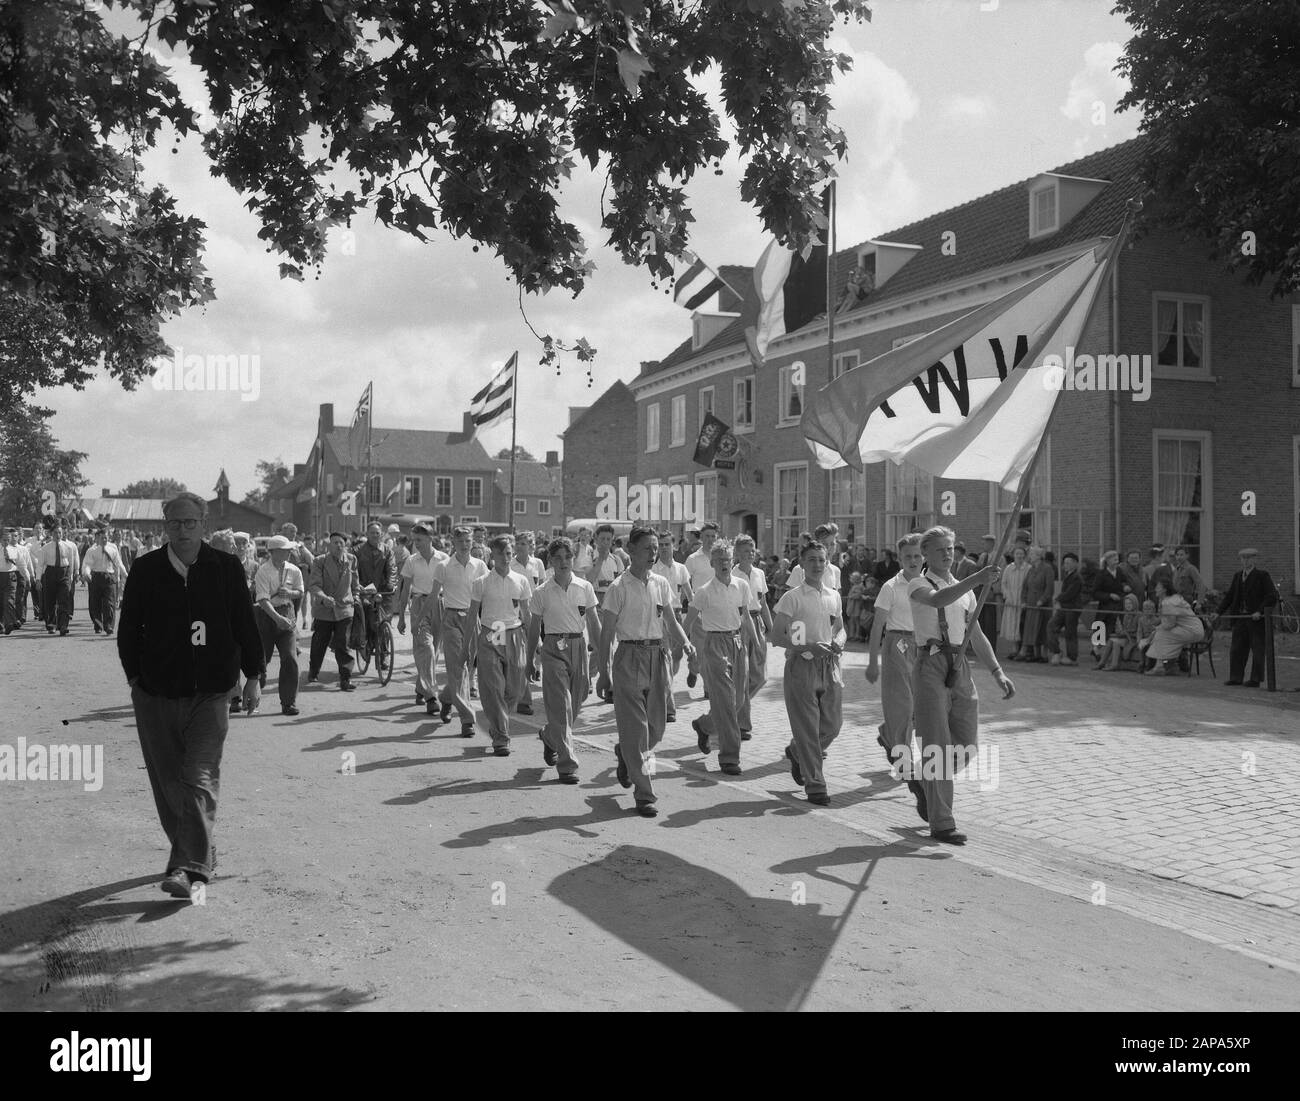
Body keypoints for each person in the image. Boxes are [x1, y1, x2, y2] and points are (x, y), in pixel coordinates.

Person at [117, 491, 263, 899]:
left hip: (211, 693)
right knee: (169, 786)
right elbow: (128, 631)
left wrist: (254, 674)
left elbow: (244, 624)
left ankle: (185, 869)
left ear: (204, 525)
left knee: (198, 777)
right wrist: (135, 681)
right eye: (174, 524)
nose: (182, 531)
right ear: (165, 527)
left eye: (190, 523)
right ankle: (200, 850)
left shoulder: (225, 568)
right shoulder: (145, 570)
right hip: (156, 695)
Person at [908, 526, 1014, 845]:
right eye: (940, 549)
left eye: (951, 548)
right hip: (930, 663)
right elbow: (939, 598)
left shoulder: (965, 591)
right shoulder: (917, 584)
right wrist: (977, 579)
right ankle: (942, 822)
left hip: (960, 666)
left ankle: (924, 779)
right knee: (937, 745)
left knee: (967, 745)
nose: (947, 554)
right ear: (925, 554)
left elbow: (976, 634)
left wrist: (997, 672)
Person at [596, 527, 693, 818]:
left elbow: (672, 620)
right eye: (648, 549)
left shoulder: (662, 583)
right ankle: (645, 794)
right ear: (632, 550)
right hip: (628, 657)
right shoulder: (618, 588)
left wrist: (686, 643)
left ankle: (627, 755)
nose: (654, 554)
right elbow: (606, 634)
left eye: (656, 548)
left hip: (658, 656)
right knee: (637, 729)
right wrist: (603, 674)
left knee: (657, 728)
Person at [771, 541, 845, 807]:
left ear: (827, 564)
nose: (817, 565)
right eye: (811, 560)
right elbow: (777, 636)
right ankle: (816, 785)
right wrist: (806, 646)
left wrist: (840, 642)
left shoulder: (833, 595)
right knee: (807, 729)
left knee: (833, 726)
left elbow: (840, 628)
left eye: (821, 560)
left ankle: (797, 751)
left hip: (830, 666)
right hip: (801, 665)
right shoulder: (792, 597)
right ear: (801, 564)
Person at [864, 533, 927, 821]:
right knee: (903, 709)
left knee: (918, 711)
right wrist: (873, 662)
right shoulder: (891, 587)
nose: (913, 561)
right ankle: (905, 766)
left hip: (924, 648)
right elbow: (878, 625)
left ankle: (888, 734)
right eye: (907, 557)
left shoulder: (930, 584)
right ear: (899, 560)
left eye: (917, 555)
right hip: (897, 646)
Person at [527, 537, 600, 784]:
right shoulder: (541, 592)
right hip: (553, 649)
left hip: (579, 646)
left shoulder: (585, 587)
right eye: (557, 558)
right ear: (550, 562)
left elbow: (594, 623)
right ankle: (567, 764)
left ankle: (549, 736)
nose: (563, 562)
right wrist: (529, 661)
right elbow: (534, 628)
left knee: (576, 703)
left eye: (567, 557)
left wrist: (602, 656)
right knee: (561, 706)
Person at [682, 540, 757, 777]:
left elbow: (746, 617)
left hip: (737, 643)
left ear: (732, 560)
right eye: (720, 560)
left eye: (728, 559)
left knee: (738, 702)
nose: (724, 563)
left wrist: (757, 643)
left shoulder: (742, 586)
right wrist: (686, 648)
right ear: (712, 563)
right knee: (725, 700)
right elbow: (688, 621)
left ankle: (704, 725)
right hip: (714, 645)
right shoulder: (704, 592)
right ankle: (729, 757)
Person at [469, 535, 533, 757]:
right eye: (501, 554)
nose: (506, 558)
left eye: (509, 554)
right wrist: (470, 644)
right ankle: (501, 737)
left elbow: (527, 613)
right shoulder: (482, 582)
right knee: (494, 686)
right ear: (492, 555)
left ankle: (498, 720)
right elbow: (472, 615)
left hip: (515, 634)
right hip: (493, 632)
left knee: (514, 689)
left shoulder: (521, 580)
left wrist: (535, 640)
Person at [431, 525, 489, 735]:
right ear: (453, 543)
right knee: (457, 667)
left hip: (473, 619)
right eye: (461, 541)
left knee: (463, 668)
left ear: (473, 542)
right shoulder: (443, 566)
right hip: (451, 618)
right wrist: (421, 619)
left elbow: (488, 594)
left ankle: (447, 698)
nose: (465, 545)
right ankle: (467, 718)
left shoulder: (480, 565)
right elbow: (433, 595)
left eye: (468, 541)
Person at [397, 524, 448, 714]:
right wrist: (401, 616)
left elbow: (450, 585)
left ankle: (420, 686)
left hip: (441, 605)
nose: (415, 543)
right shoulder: (411, 561)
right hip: (419, 605)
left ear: (429, 538)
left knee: (434, 652)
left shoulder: (444, 559)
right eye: (414, 539)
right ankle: (431, 697)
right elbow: (405, 590)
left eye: (418, 539)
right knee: (425, 648)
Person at [252, 535, 304, 714]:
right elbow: (263, 600)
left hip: (286, 613)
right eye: (284, 549)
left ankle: (288, 702)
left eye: (289, 549)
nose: (289, 552)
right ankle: (253, 693)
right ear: (273, 552)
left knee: (290, 659)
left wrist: (290, 593)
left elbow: (300, 592)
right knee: (261, 661)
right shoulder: (263, 571)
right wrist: (277, 619)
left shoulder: (294, 570)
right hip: (266, 616)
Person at [1217, 548, 1278, 687]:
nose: (1245, 561)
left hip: (1256, 619)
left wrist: (1259, 611)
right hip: (1240, 618)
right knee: (1237, 649)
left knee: (1257, 649)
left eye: (1249, 558)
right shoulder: (1238, 576)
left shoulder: (1262, 575)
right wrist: (1218, 612)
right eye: (1243, 558)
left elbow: (1271, 596)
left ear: (1255, 559)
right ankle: (1236, 677)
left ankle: (1255, 679)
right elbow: (1230, 596)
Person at [650, 530, 693, 722]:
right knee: (665, 656)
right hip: (659, 617)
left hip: (677, 614)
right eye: (661, 545)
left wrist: (696, 611)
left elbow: (689, 593)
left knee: (676, 657)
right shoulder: (653, 569)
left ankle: (666, 683)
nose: (664, 548)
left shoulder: (681, 569)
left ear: (673, 545)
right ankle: (668, 705)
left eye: (667, 544)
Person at [307, 532, 360, 691]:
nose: (338, 545)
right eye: (334, 542)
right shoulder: (320, 561)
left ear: (346, 545)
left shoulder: (351, 560)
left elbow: (355, 582)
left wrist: (356, 595)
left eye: (341, 543)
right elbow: (314, 585)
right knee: (319, 643)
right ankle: (313, 670)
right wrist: (323, 597)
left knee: (343, 643)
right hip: (325, 609)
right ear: (329, 545)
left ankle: (345, 678)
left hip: (344, 607)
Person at [731, 534, 770, 740]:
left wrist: (772, 629)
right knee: (743, 677)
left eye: (752, 549)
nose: (750, 554)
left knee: (761, 676)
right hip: (740, 624)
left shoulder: (759, 574)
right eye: (745, 550)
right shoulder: (732, 576)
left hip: (758, 622)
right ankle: (743, 724)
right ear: (737, 553)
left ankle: (733, 706)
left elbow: (763, 603)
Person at [586, 522, 626, 702]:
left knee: (606, 644)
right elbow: (589, 580)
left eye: (608, 539)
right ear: (596, 539)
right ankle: (603, 681)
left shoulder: (616, 560)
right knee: (600, 643)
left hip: (612, 601)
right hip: (595, 600)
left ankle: (592, 676)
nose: (605, 543)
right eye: (602, 539)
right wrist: (600, 560)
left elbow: (621, 582)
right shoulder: (589, 557)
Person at [509, 531, 547, 716]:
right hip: (514, 615)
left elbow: (541, 587)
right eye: (519, 543)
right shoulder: (510, 564)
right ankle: (524, 699)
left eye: (524, 543)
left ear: (531, 546)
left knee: (529, 655)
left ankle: (520, 693)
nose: (520, 546)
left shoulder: (537, 563)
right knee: (518, 657)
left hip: (535, 614)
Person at [1139, 578, 1204, 676]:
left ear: (1164, 589)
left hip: (1191, 631)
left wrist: (1156, 629)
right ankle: (1171, 666)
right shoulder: (1172, 599)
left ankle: (1159, 666)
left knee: (1161, 634)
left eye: (1157, 587)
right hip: (1193, 629)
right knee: (1165, 634)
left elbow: (1169, 624)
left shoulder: (1169, 603)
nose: (1155, 589)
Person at [81, 528, 127, 635]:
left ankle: (109, 626)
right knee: (96, 603)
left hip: (109, 577)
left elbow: (119, 563)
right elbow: (87, 564)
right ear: (98, 539)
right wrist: (86, 573)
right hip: (96, 577)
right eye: (102, 538)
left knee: (109, 603)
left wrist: (125, 574)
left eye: (106, 537)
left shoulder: (113, 550)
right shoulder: (92, 551)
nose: (105, 539)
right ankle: (98, 625)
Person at [37, 521, 79, 635]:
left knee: (64, 600)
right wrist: (38, 579)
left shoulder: (68, 547)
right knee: (50, 600)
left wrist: (71, 576)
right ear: (51, 533)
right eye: (55, 532)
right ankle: (51, 624)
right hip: (50, 573)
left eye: (60, 532)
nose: (58, 535)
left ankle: (63, 626)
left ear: (62, 533)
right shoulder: (45, 548)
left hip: (64, 573)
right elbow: (40, 564)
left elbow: (71, 562)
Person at [1016, 546, 1053, 662]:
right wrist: (1023, 600)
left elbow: (1049, 588)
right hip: (1031, 604)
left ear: (1038, 556)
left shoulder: (1047, 569)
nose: (1029, 557)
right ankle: (1030, 652)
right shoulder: (1031, 569)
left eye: (1031, 555)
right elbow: (1025, 587)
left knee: (1042, 629)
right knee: (1030, 629)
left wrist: (1042, 600)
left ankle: (1044, 654)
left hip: (1042, 605)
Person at [1045, 552, 1083, 665]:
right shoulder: (1068, 576)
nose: (1065, 565)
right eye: (1065, 563)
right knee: (1051, 626)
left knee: (1070, 633)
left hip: (1072, 609)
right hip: (1064, 608)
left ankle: (1072, 657)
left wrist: (1057, 598)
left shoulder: (1077, 578)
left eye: (1068, 563)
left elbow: (1070, 593)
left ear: (1076, 564)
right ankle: (1056, 652)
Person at [1097, 594, 1143, 671]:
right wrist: (1121, 631)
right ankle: (1101, 663)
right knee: (1111, 640)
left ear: (1135, 603)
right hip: (1125, 637)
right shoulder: (1126, 615)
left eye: (1130, 603)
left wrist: (1126, 632)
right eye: (1126, 604)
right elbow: (1125, 628)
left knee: (1116, 642)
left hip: (1133, 639)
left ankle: (1114, 665)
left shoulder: (1139, 615)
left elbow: (1139, 631)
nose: (1128, 605)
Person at [1091, 550, 1127, 647]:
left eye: (1117, 559)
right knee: (1100, 630)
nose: (1116, 562)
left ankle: (1109, 652)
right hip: (1105, 608)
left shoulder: (1119, 572)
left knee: (1113, 632)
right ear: (1107, 561)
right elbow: (1095, 593)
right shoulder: (1101, 575)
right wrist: (1109, 595)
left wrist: (1125, 587)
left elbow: (1123, 582)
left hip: (1118, 608)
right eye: (1114, 560)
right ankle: (1097, 650)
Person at [999, 545, 1029, 659]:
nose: (1019, 556)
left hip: (1022, 601)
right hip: (1011, 601)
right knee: (1012, 625)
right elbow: (1004, 583)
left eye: (1021, 554)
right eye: (1017, 554)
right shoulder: (1008, 568)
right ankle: (1014, 648)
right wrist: (1007, 596)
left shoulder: (1028, 568)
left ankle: (1022, 649)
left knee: (1021, 625)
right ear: (1014, 555)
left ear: (1025, 556)